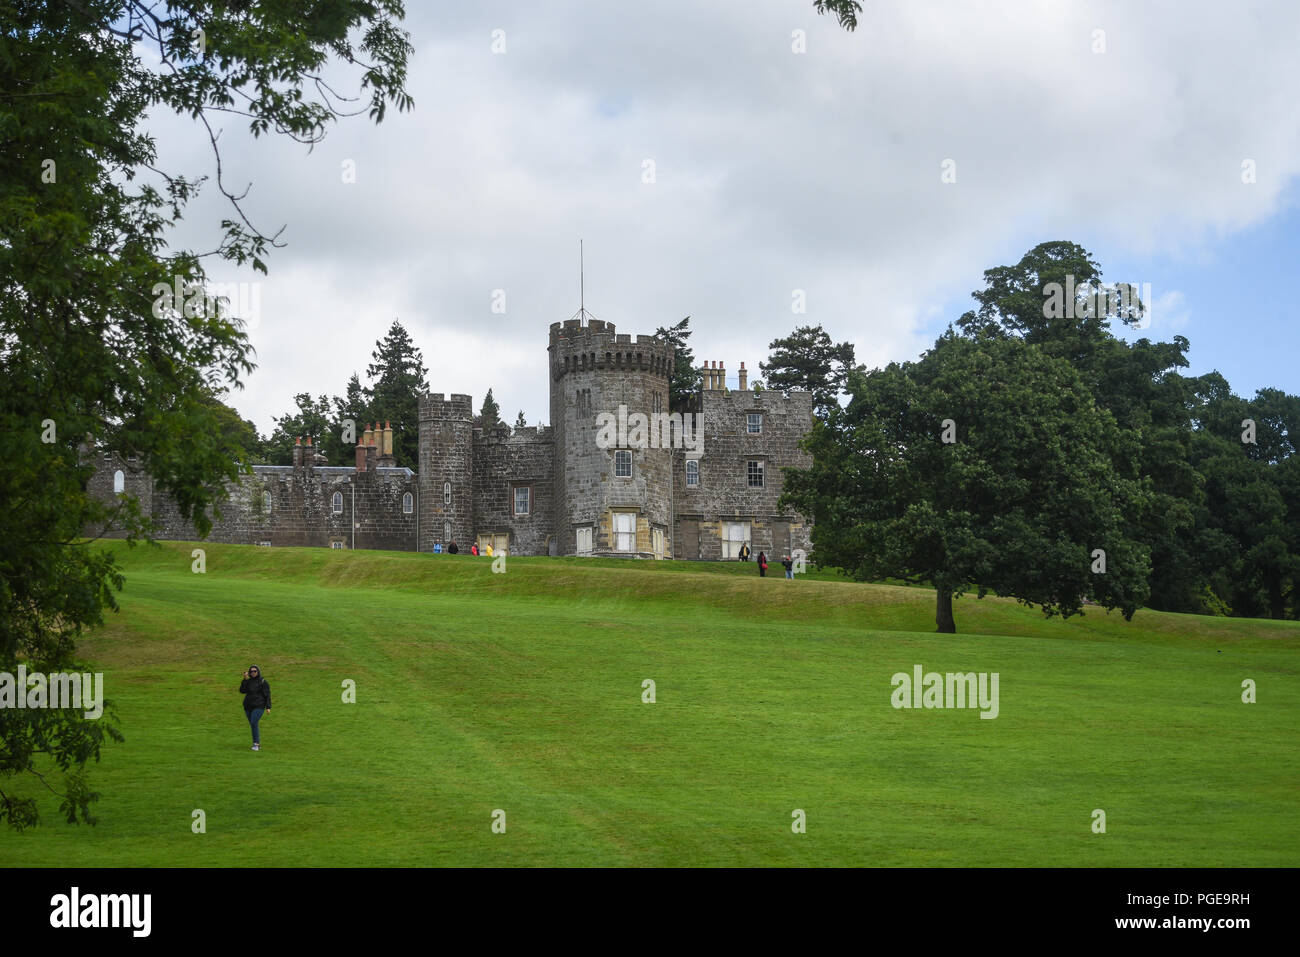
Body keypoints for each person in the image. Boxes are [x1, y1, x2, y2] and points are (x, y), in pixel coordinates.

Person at [239, 664, 272, 752]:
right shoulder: (248, 681)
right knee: (253, 725)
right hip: (248, 706)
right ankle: (257, 743)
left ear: (258, 672)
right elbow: (242, 690)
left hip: (259, 706)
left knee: (254, 722)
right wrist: (245, 679)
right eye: (251, 671)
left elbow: (267, 695)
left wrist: (268, 707)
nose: (253, 673)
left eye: (254, 671)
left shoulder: (263, 682)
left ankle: (256, 744)